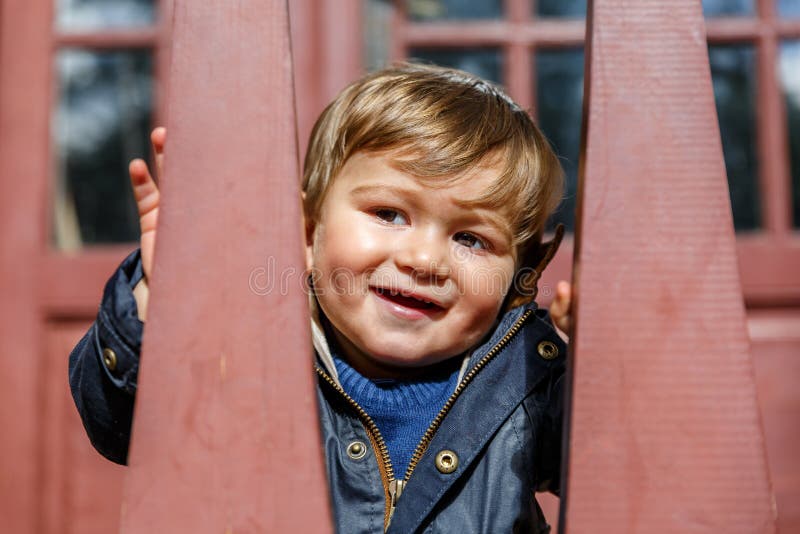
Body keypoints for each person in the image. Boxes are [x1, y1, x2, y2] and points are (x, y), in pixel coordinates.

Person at [69, 63, 573, 532]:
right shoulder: (249, 351)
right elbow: (122, 425)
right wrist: (160, 309)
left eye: (471, 239)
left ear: (520, 278)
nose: (424, 260)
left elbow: (596, 450)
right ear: (308, 230)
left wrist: (593, 368)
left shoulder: (529, 376)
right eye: (389, 214)